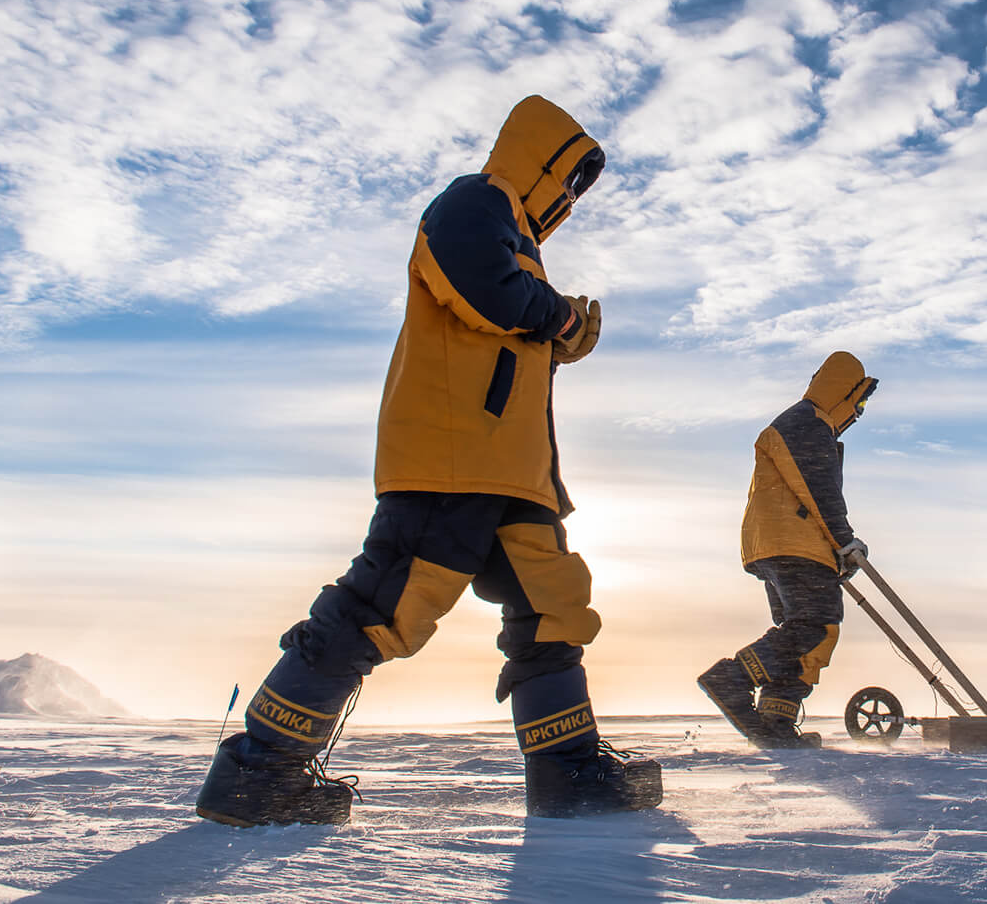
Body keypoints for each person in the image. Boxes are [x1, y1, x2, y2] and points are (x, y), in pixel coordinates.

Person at [195, 95, 661, 826]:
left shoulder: (520, 238)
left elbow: (508, 328)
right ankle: (260, 773)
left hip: (515, 476)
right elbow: (477, 280)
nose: (570, 196)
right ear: (539, 161)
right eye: (567, 177)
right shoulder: (474, 202)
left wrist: (560, 331)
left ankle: (568, 776)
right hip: (452, 462)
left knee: (553, 612)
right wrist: (556, 314)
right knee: (382, 609)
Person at [698, 352, 878, 748]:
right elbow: (817, 488)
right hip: (793, 542)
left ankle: (775, 723)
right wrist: (843, 539)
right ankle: (732, 678)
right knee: (814, 628)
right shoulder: (806, 424)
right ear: (843, 392)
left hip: (781, 541)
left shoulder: (810, 425)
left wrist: (835, 552)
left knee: (803, 631)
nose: (859, 412)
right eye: (858, 402)